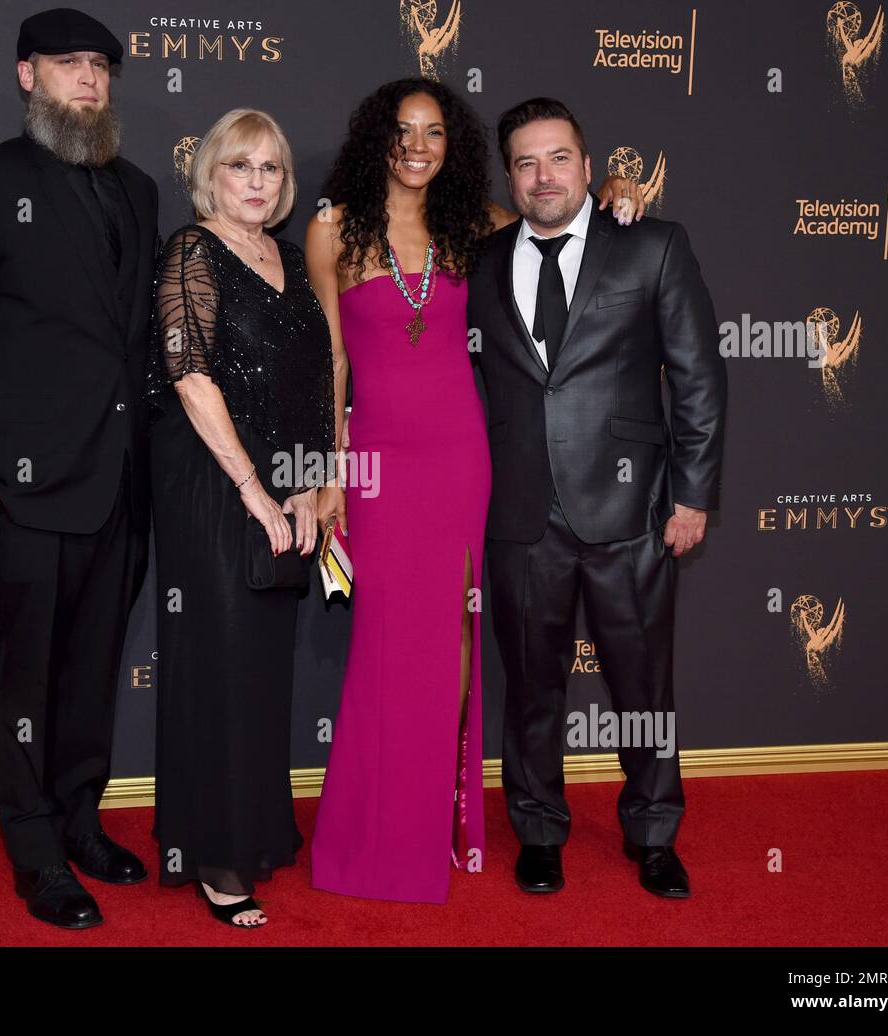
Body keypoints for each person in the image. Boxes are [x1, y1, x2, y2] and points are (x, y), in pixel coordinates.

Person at [306, 78, 642, 904]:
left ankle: (436, 821)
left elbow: (560, 221)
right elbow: (332, 367)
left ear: (451, 144)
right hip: (379, 465)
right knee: (385, 641)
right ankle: (370, 828)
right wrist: (328, 473)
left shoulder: (480, 227)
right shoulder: (331, 232)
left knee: (453, 641)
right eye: (401, 131)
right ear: (374, 141)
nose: (417, 146)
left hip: (463, 461)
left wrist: (613, 193)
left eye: (433, 132)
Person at [0, 9, 159, 929]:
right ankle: (33, 852)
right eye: (68, 64)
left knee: (94, 668)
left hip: (119, 481)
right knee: (29, 677)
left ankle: (80, 822)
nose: (88, 80)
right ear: (27, 76)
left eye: (99, 65)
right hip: (18, 486)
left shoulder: (136, 189)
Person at [467, 97, 726, 899]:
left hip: (632, 513)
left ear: (588, 164)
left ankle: (654, 835)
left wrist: (692, 494)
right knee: (532, 689)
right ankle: (539, 832)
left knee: (643, 689)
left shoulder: (651, 245)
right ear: (509, 175)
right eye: (525, 162)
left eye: (558, 158)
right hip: (518, 517)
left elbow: (699, 379)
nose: (543, 176)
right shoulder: (479, 260)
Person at [146, 109, 334, 928]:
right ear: (210, 177)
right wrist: (256, 490)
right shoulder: (191, 250)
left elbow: (314, 382)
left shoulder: (290, 258)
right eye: (240, 167)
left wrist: (315, 480)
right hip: (214, 481)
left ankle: (253, 833)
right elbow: (190, 377)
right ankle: (215, 859)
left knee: (260, 669)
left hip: (281, 488)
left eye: (270, 168)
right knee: (216, 665)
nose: (257, 182)